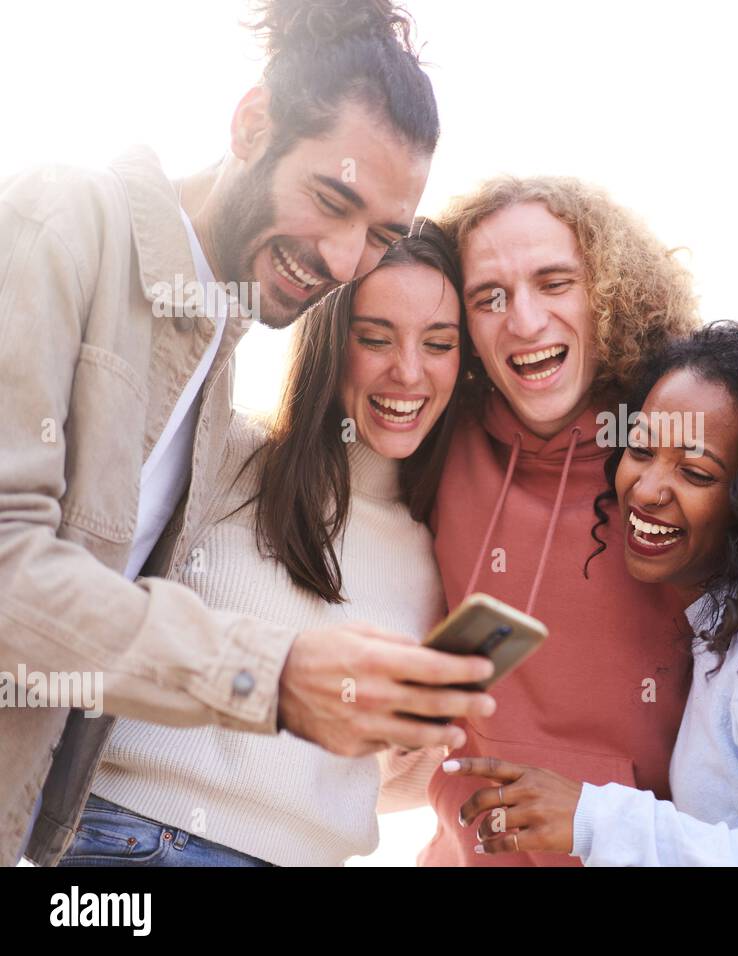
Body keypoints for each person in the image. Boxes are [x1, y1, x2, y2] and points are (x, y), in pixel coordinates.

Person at [0, 0, 472, 868]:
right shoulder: (61, 218)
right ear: (253, 123)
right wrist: (277, 678)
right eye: (331, 200)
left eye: (379, 235)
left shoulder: (214, 355)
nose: (341, 261)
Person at [403, 177, 738, 866]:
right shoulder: (433, 444)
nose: (523, 320)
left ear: (607, 293)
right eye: (490, 296)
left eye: (554, 283)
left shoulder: (689, 417)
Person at [55, 222, 496, 867]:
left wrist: (413, 743)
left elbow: (372, 787)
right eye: (374, 339)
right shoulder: (224, 454)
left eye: (438, 344)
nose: (408, 371)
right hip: (130, 836)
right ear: (329, 346)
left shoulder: (440, 555)